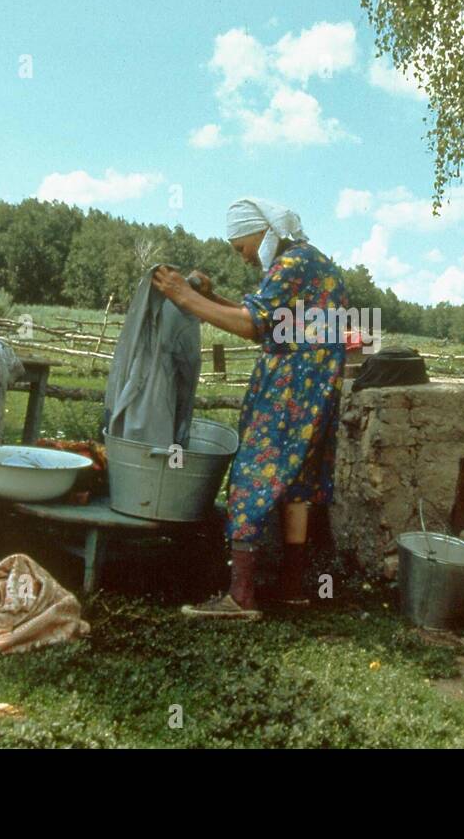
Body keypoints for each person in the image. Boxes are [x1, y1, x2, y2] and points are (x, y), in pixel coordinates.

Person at [151, 197, 348, 619]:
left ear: (263, 233)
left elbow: (250, 325)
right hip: (318, 387)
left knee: (250, 476)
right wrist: (212, 297)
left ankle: (240, 596)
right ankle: (292, 587)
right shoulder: (315, 262)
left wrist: (185, 297)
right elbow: (265, 322)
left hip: (291, 388)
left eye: (241, 247)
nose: (242, 257)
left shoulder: (289, 265)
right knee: (299, 485)